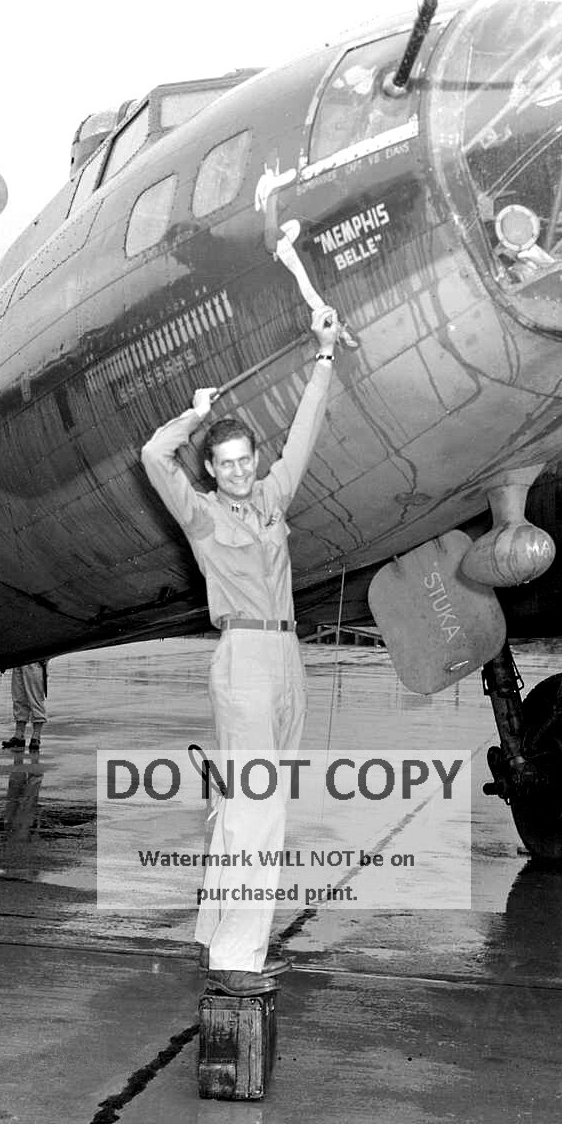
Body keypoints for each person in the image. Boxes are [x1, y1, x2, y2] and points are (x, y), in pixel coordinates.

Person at [140, 303, 344, 998]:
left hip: (287, 658)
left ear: (254, 460)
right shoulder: (201, 515)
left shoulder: (272, 498)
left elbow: (306, 434)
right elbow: (152, 456)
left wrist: (324, 357)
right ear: (211, 468)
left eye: (241, 459)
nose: (233, 471)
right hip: (243, 661)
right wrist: (192, 418)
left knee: (245, 804)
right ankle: (236, 959)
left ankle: (213, 934)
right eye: (221, 463)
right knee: (259, 808)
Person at [3, 660, 48, 752]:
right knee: (18, 698)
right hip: (19, 660)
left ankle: (36, 736)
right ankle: (19, 735)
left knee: (35, 698)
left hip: (36, 660)